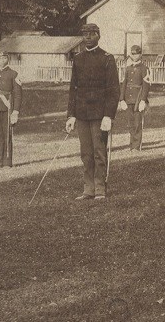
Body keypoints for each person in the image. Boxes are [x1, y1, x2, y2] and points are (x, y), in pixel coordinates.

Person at [65, 24, 120, 200]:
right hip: (82, 114)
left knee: (99, 152)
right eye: (84, 34)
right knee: (86, 153)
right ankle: (88, 189)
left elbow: (114, 90)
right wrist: (71, 115)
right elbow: (73, 88)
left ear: (98, 36)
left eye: (91, 34)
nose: (87, 37)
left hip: (99, 114)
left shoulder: (107, 58)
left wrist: (109, 115)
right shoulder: (78, 58)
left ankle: (100, 189)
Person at [118, 45, 150, 150]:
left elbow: (146, 85)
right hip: (128, 99)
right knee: (130, 123)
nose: (134, 55)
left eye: (136, 53)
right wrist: (122, 99)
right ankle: (131, 145)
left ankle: (136, 146)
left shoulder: (144, 68)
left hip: (138, 100)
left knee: (137, 123)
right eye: (132, 53)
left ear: (140, 54)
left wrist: (143, 100)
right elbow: (124, 84)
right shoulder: (127, 68)